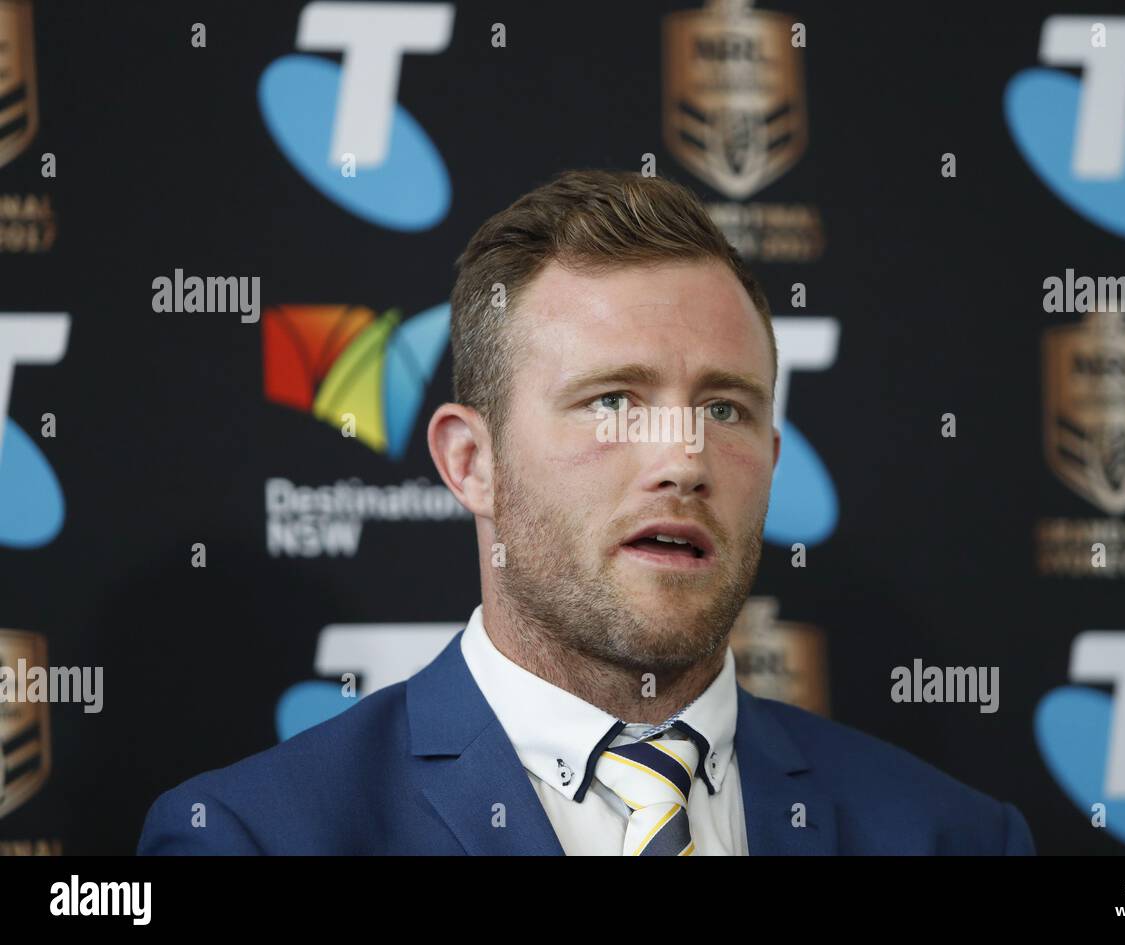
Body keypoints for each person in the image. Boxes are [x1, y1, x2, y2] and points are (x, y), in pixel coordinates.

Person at [138, 169, 1035, 855]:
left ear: (769, 460)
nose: (682, 458)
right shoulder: (255, 837)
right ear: (470, 462)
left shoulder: (953, 837)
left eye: (724, 409)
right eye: (614, 402)